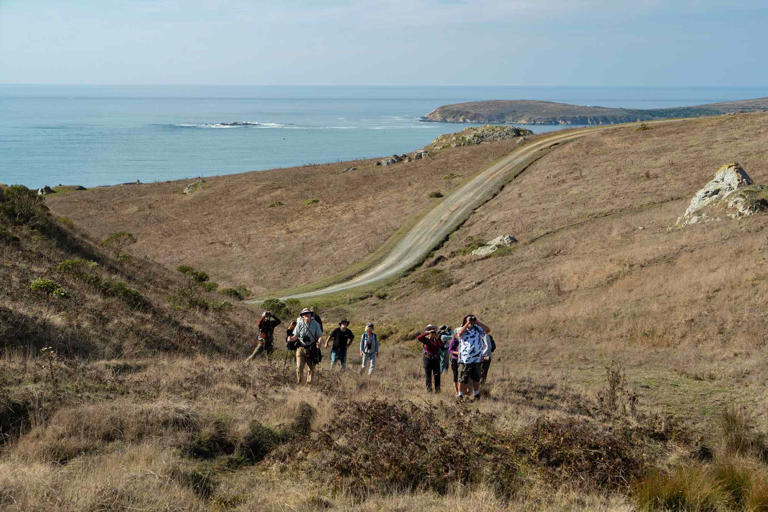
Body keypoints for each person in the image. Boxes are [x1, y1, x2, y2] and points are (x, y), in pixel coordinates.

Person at [456, 314, 491, 400]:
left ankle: (476, 394)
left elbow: (488, 330)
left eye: (471, 320)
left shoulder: (478, 329)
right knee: (462, 378)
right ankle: (460, 394)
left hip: (477, 359)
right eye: (469, 320)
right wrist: (467, 323)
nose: (471, 322)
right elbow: (460, 333)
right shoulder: (461, 329)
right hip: (465, 359)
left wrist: (477, 322)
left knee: (476, 378)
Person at [288, 308, 323, 384]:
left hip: (312, 348)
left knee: (311, 368)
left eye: (308, 313)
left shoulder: (316, 324)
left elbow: (319, 336)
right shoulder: (299, 324)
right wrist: (290, 338)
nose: (307, 315)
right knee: (299, 367)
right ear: (302, 316)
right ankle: (299, 383)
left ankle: (309, 384)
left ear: (311, 315)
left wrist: (319, 342)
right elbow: (295, 336)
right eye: (305, 314)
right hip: (301, 347)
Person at [417, 324, 443, 393]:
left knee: (437, 376)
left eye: (433, 330)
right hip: (427, 359)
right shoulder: (425, 340)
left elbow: (442, 347)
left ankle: (438, 391)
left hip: (436, 359)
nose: (432, 332)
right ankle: (429, 391)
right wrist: (428, 333)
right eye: (429, 329)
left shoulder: (437, 340)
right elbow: (419, 337)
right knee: (428, 376)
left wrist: (438, 337)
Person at [447, 329, 461, 397]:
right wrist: (456, 353)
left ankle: (460, 392)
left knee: (460, 376)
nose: (459, 335)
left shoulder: (463, 340)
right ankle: (457, 392)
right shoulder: (454, 341)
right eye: (457, 334)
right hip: (455, 360)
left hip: (462, 361)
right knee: (456, 375)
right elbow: (449, 350)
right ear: (455, 334)